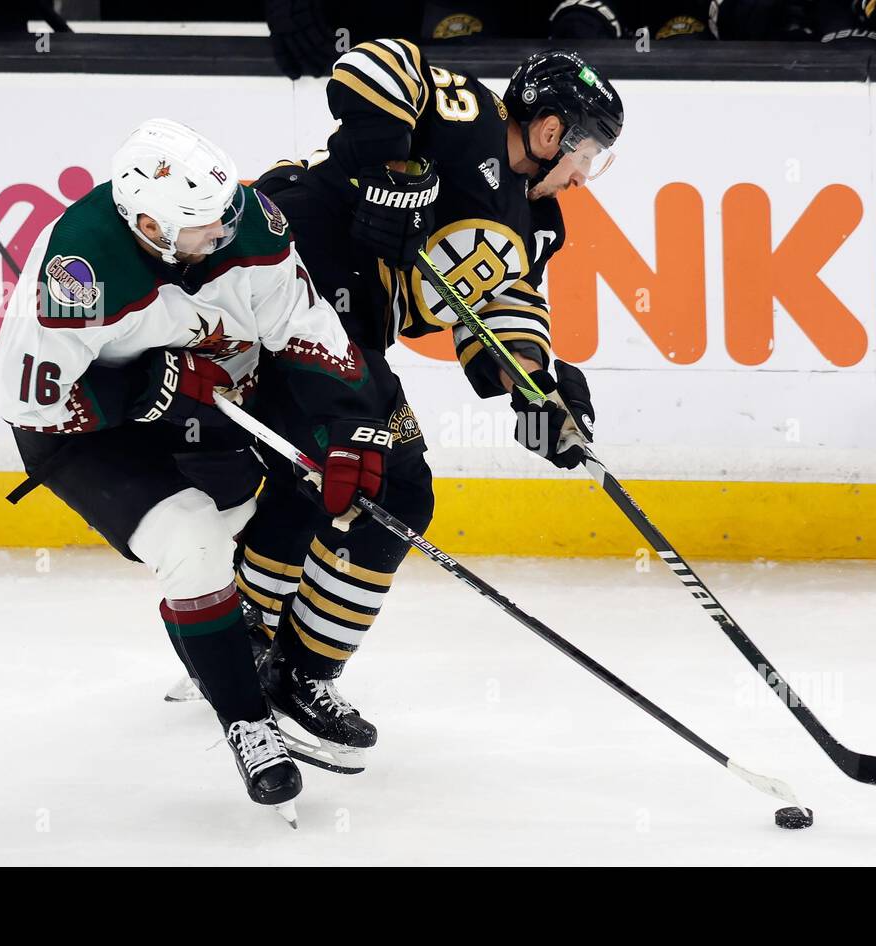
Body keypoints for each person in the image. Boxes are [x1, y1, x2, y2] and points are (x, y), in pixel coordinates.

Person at [229, 41, 622, 773]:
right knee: (396, 487)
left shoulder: (538, 226)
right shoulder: (468, 116)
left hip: (345, 324)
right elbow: (368, 66)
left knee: (316, 473)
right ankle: (296, 672)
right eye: (587, 151)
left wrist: (538, 395)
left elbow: (501, 308)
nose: (583, 174)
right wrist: (382, 175)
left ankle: (242, 639)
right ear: (549, 131)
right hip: (289, 274)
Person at [0, 117, 391, 824]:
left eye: (225, 214)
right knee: (193, 542)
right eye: (207, 226)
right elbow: (30, 402)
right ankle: (247, 720)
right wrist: (145, 390)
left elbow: (305, 328)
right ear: (150, 224)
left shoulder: (250, 225)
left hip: (195, 403)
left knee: (244, 525)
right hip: (86, 430)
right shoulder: (80, 267)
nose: (225, 233)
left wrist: (351, 430)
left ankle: (211, 647)